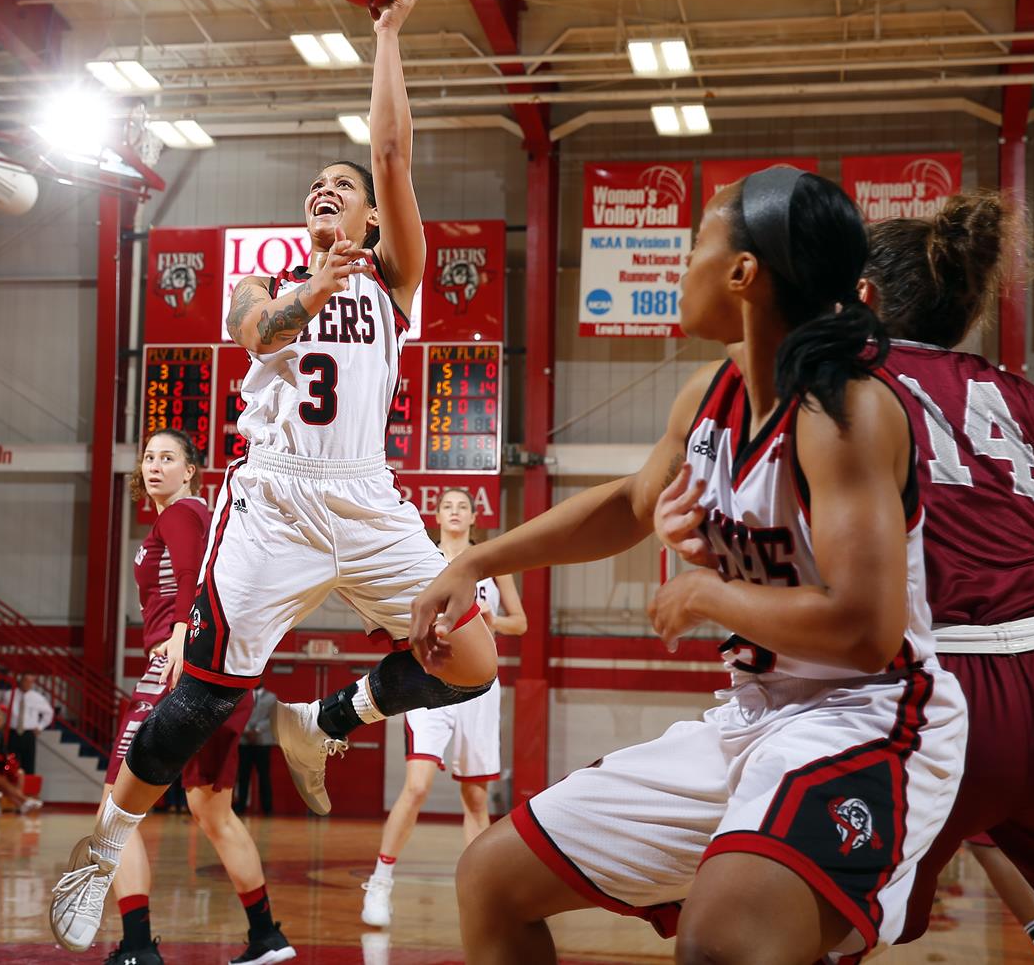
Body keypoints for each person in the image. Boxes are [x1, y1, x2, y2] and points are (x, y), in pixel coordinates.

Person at [50, 0, 499, 955]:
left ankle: (328, 715)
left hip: (371, 500)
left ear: (372, 219)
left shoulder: (397, 281)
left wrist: (385, 35)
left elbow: (389, 150)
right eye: (317, 190)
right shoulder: (264, 285)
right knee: (198, 702)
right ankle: (101, 844)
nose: (328, 193)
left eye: (344, 191)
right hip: (277, 504)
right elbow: (254, 335)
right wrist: (309, 289)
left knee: (470, 662)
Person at [414, 165, 967, 964]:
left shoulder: (841, 411)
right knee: (490, 880)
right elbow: (631, 503)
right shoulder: (707, 396)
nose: (683, 263)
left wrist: (709, 591)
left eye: (698, 242)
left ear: (744, 273)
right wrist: (480, 563)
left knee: (720, 942)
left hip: (869, 719)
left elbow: (863, 631)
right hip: (753, 714)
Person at [852, 192, 1034, 950]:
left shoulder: (851, 386)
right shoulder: (1021, 395)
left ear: (861, 297)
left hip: (938, 682)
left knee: (813, 915)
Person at [98, 429, 293, 965]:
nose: (154, 465)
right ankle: (266, 936)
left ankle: (137, 946)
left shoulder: (181, 514)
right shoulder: (204, 517)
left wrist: (183, 631)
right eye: (148, 457)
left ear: (190, 471)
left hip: (175, 670)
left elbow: (190, 578)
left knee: (115, 809)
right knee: (213, 811)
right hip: (224, 679)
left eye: (168, 457)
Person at [361, 487, 525, 928]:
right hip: (428, 684)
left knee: (475, 797)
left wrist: (494, 622)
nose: (455, 512)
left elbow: (521, 622)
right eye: (447, 506)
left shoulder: (491, 561)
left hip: (480, 686)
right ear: (436, 515)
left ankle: (485, 894)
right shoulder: (421, 559)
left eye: (463, 506)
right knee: (416, 786)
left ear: (475, 516)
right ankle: (380, 882)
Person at [234, 686, 277, 816]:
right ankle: (241, 806)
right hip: (244, 741)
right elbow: (238, 713)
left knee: (264, 776)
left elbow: (272, 718)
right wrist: (247, 730)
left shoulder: (271, 697)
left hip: (262, 742)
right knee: (243, 776)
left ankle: (267, 808)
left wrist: (256, 730)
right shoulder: (242, 695)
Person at [6, 672, 54, 775]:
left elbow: (49, 713)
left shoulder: (38, 698)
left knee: (28, 763)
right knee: (10, 762)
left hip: (29, 734)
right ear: (21, 680)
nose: (28, 684)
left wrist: (40, 727)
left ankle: (27, 788)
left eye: (30, 682)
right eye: (26, 681)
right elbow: (2, 711)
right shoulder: (9, 695)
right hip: (13, 732)